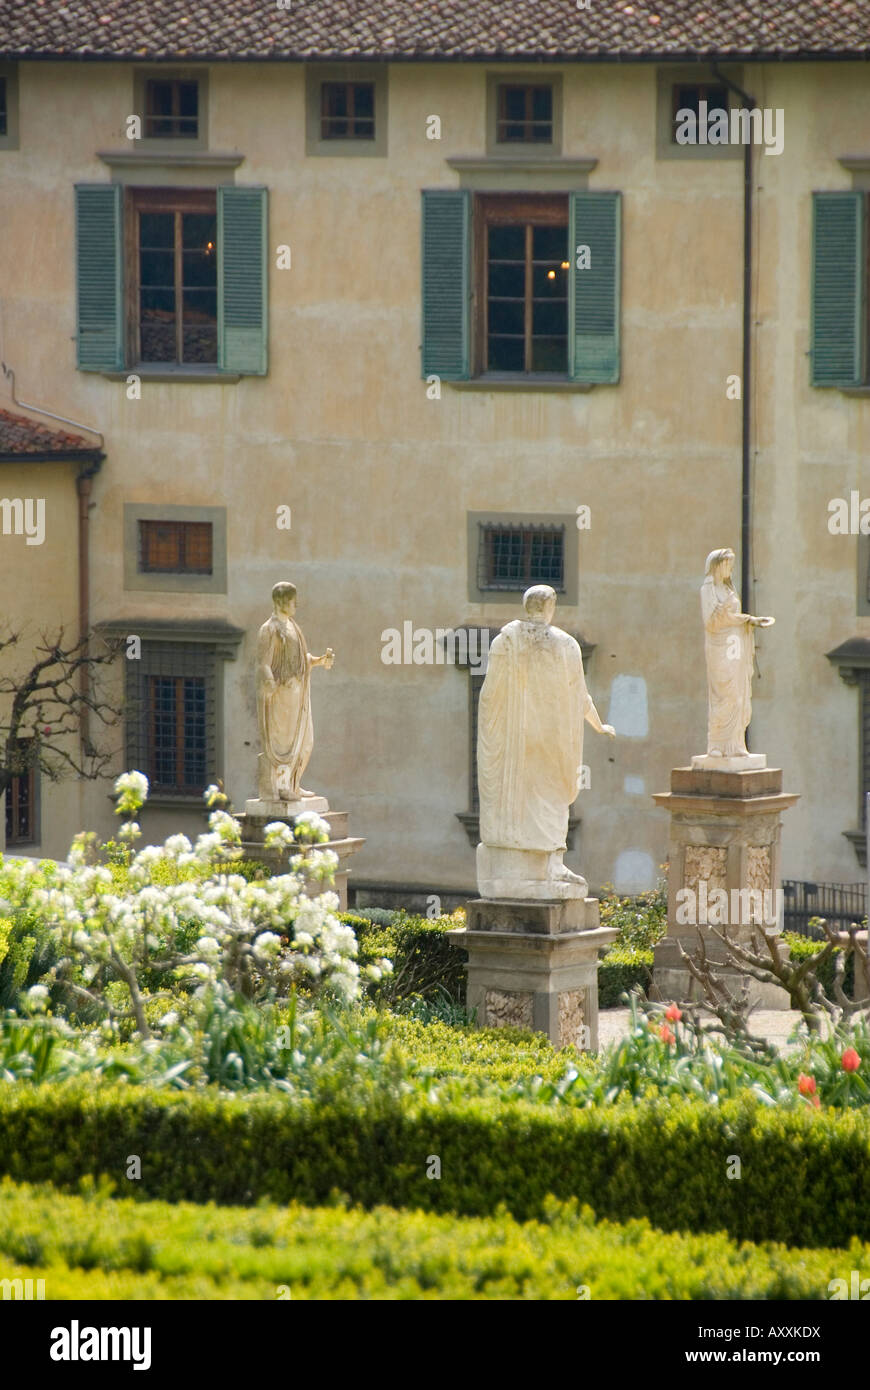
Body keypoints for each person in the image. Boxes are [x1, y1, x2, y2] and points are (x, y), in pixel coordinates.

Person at [477, 584, 614, 883]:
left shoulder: (505, 641)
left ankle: (524, 866)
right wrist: (599, 724)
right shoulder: (565, 645)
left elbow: (489, 696)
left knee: (522, 798)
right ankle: (551, 864)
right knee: (552, 798)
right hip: (550, 741)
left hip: (518, 742)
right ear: (550, 607)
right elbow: (580, 696)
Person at [256, 581, 334, 801]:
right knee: (282, 742)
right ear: (282, 601)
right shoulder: (269, 629)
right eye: (292, 601)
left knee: (304, 740)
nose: (295, 605)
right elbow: (263, 663)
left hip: (298, 695)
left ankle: (294, 783)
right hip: (281, 694)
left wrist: (318, 661)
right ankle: (280, 786)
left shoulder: (293, 627)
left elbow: (299, 659)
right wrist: (269, 682)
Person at [700, 548, 773, 758]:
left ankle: (735, 744)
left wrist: (750, 620)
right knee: (721, 694)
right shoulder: (707, 590)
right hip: (717, 646)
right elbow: (711, 621)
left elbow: (733, 616)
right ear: (717, 565)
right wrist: (746, 619)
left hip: (735, 644)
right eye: (727, 565)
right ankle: (716, 743)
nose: (730, 570)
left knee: (737, 694)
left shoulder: (730, 590)